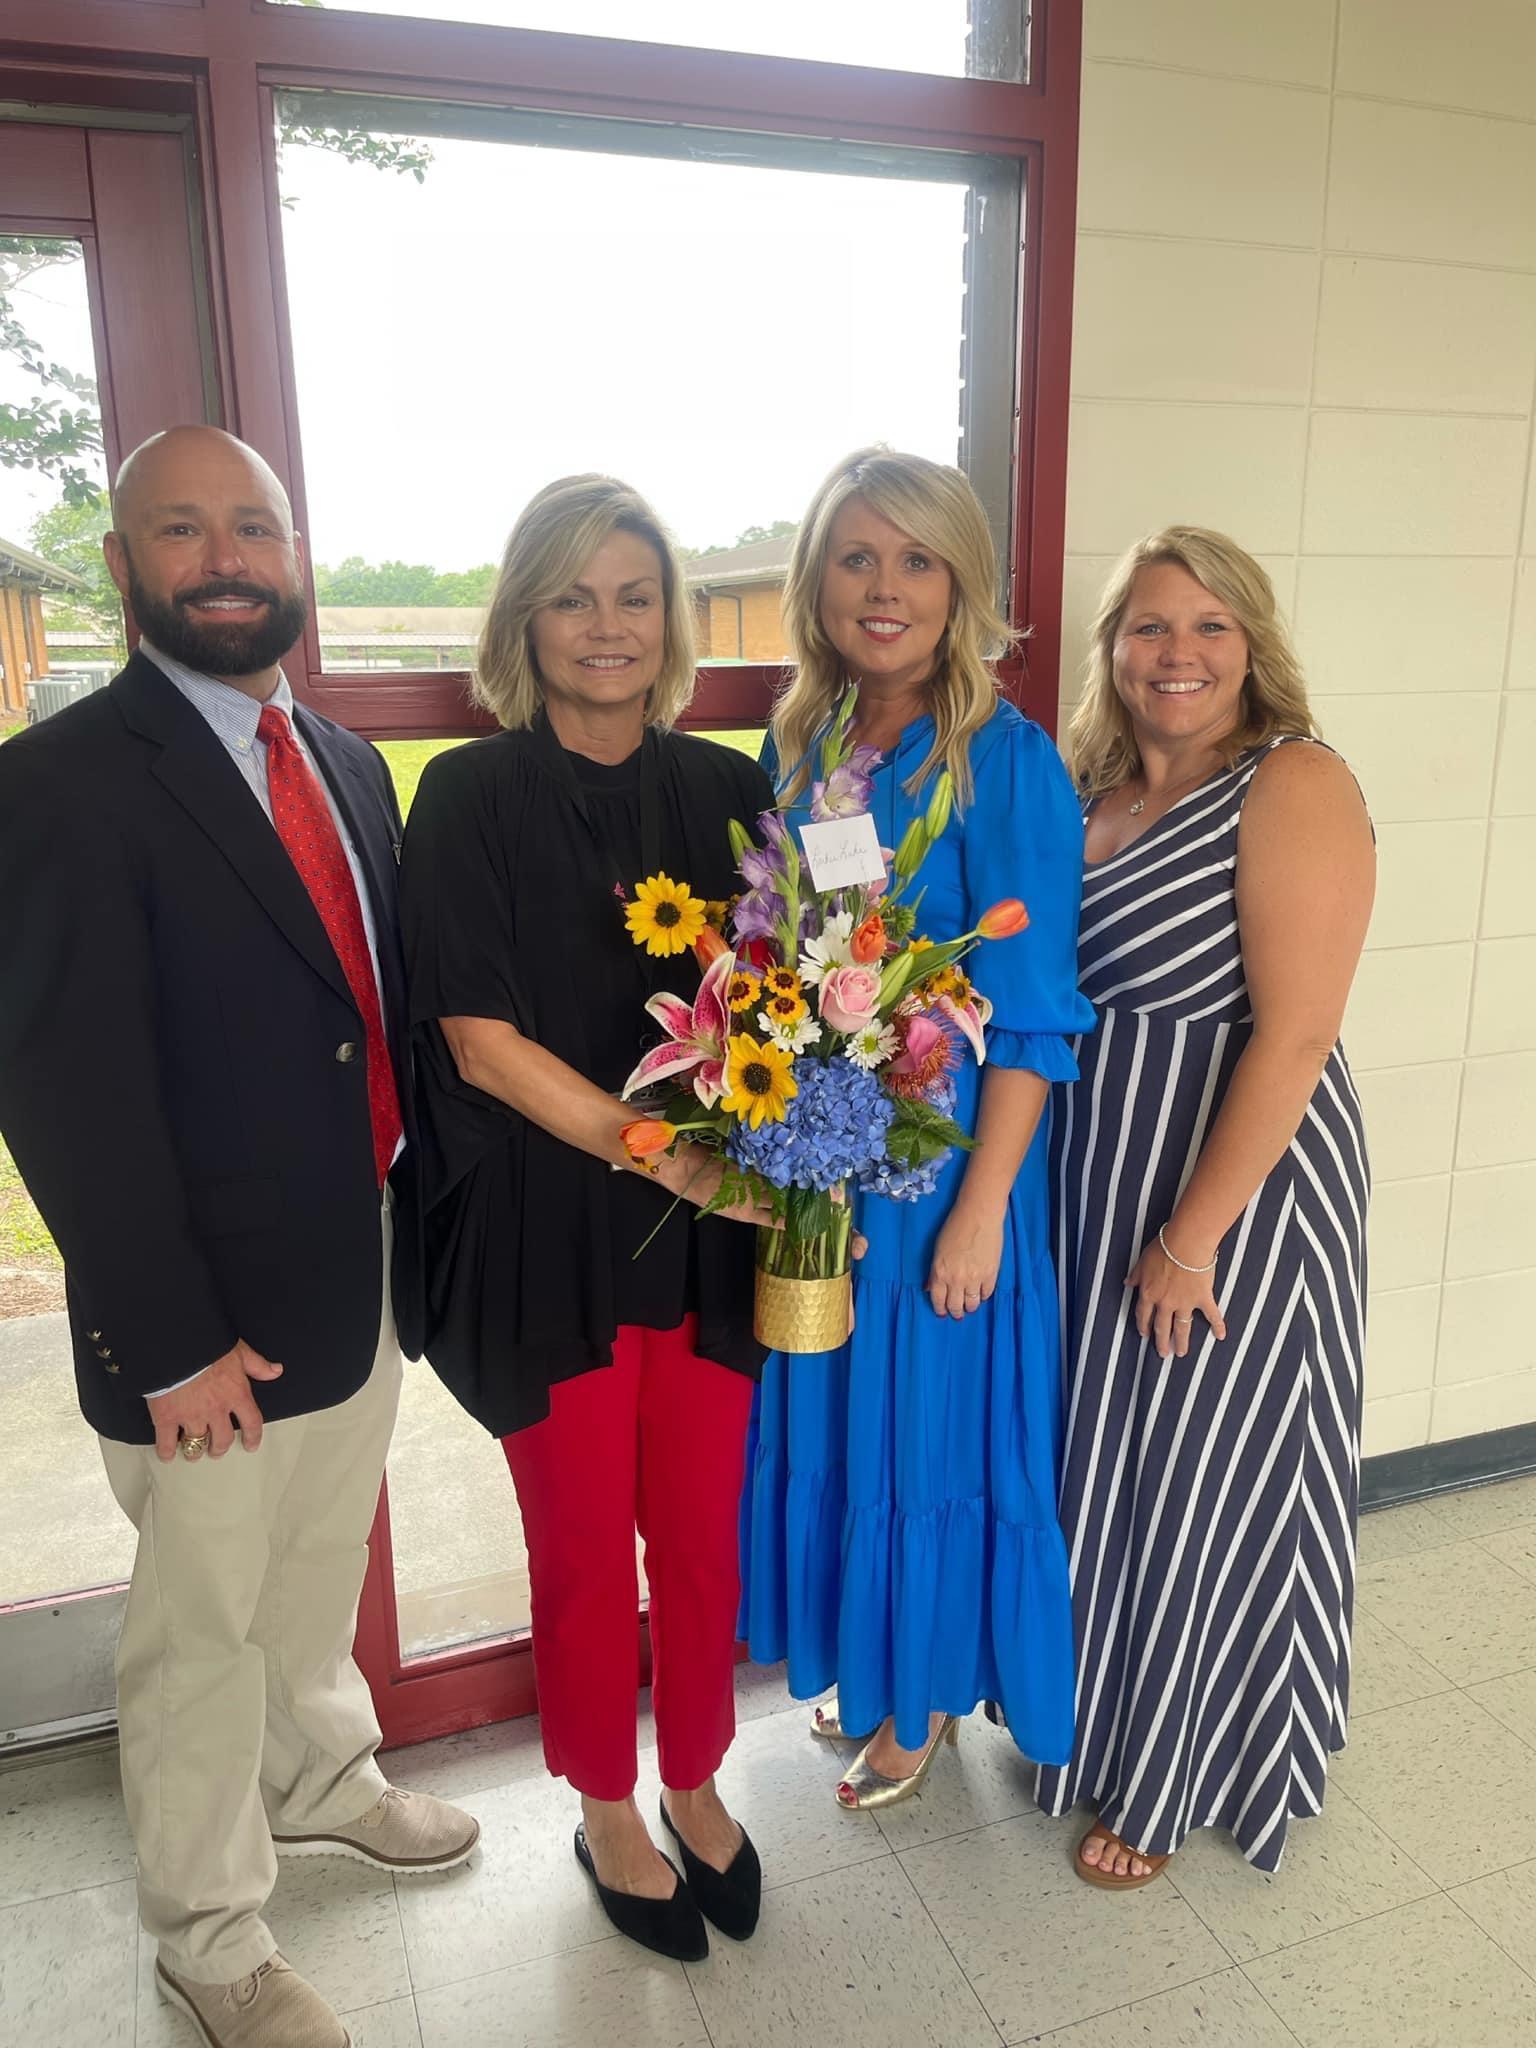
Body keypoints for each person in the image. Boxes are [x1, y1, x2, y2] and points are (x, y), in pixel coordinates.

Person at [0, 426, 478, 2048]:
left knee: (314, 1570)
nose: (225, 558)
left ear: (298, 555)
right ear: (126, 564)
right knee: (197, 1630)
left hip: (356, 1273)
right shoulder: (58, 785)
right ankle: (210, 1937)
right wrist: (167, 1334)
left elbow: (365, 1023)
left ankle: (322, 1774)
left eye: (253, 527)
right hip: (205, 1322)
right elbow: (63, 1096)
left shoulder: (341, 760)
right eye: (181, 529)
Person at [399, 475, 774, 1962]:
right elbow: (479, 1039)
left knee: (696, 1534)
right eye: (573, 596)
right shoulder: (470, 794)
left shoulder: (731, 788)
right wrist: (655, 1149)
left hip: (709, 1240)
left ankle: (691, 1775)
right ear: (526, 620)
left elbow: (796, 1000)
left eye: (633, 596)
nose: (606, 627)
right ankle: (604, 1797)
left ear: (669, 620)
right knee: (576, 1543)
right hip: (544, 1236)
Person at [737, 447, 1095, 1808]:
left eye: (918, 561)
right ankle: (874, 1664)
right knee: (844, 1425)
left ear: (965, 588)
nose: (884, 590)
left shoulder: (1007, 767)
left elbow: (1038, 1017)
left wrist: (985, 1211)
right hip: (827, 1164)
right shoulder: (805, 744)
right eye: (856, 558)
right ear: (816, 580)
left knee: (932, 1437)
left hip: (946, 1178)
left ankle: (925, 1698)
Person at [1035, 526, 1374, 1885]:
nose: (1177, 655)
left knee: (1208, 1478)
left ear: (1254, 647)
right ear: (1111, 649)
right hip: (1096, 1172)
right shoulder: (1085, 789)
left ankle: (1179, 1771)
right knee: (1109, 1469)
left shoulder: (1293, 783)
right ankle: (1092, 1726)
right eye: (1149, 627)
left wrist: (1190, 1237)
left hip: (1234, 1191)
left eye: (1210, 628)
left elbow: (1292, 1037)